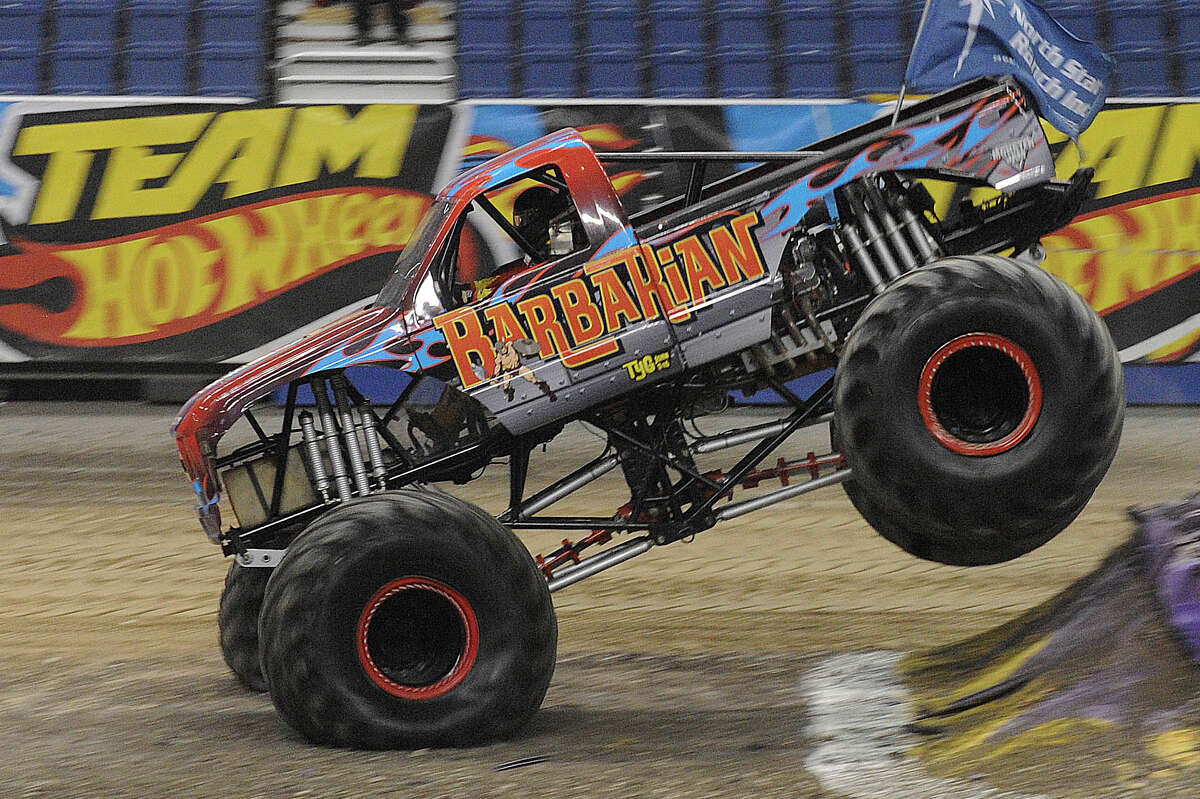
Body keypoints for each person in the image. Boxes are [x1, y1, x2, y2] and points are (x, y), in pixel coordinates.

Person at [512, 186, 579, 261]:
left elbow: (563, 260)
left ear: (535, 215)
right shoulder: (535, 250)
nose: (519, 226)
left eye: (520, 220)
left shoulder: (561, 233)